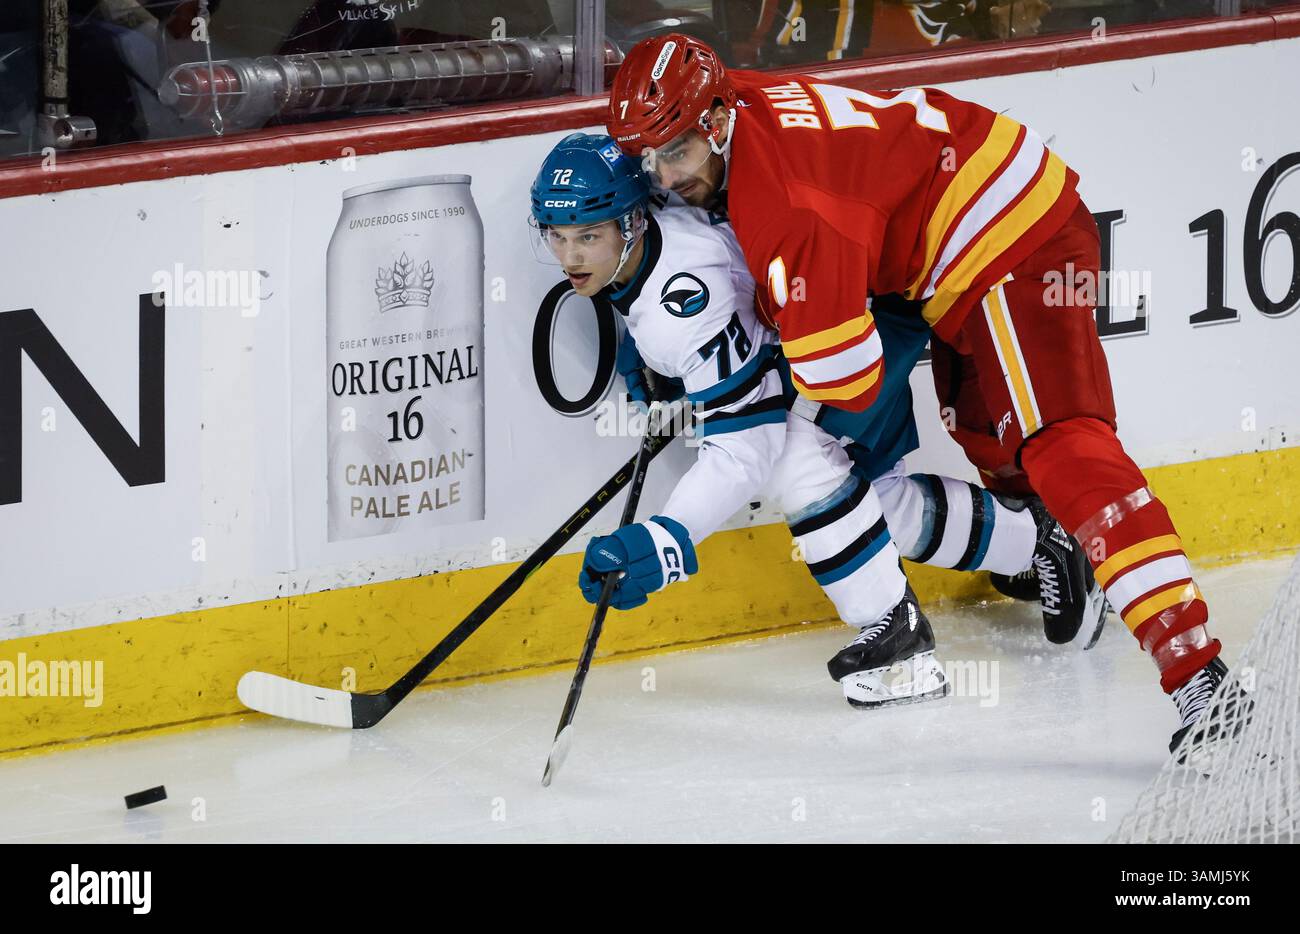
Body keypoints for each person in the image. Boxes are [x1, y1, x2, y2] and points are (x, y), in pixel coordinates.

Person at [605, 34, 1231, 753]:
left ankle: (1199, 677)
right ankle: (1046, 547)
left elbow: (844, 379)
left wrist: (727, 385)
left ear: (716, 124)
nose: (661, 176)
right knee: (983, 433)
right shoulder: (731, 102)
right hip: (933, 244)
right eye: (645, 159)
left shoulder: (790, 209)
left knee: (1062, 448)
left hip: (1015, 242)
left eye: (674, 154)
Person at [528, 132, 1102, 708]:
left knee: (793, 460)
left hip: (855, 327)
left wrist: (666, 538)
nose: (571, 256)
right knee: (871, 503)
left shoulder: (683, 304)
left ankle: (897, 639)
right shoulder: (652, 217)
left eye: (588, 237)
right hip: (840, 314)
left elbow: (745, 449)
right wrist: (651, 362)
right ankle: (1037, 540)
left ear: (632, 224)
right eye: (556, 236)